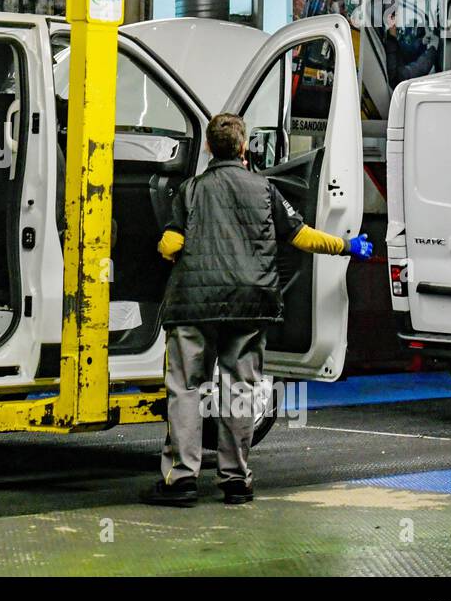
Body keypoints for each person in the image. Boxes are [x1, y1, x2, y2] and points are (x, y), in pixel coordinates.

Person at [146, 113, 373, 507]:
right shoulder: (265, 189)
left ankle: (180, 480)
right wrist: (346, 246)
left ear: (208, 149)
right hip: (250, 304)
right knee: (239, 390)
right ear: (244, 145)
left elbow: (170, 245)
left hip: (193, 307)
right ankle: (236, 479)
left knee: (186, 388)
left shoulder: (190, 189)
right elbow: (301, 236)